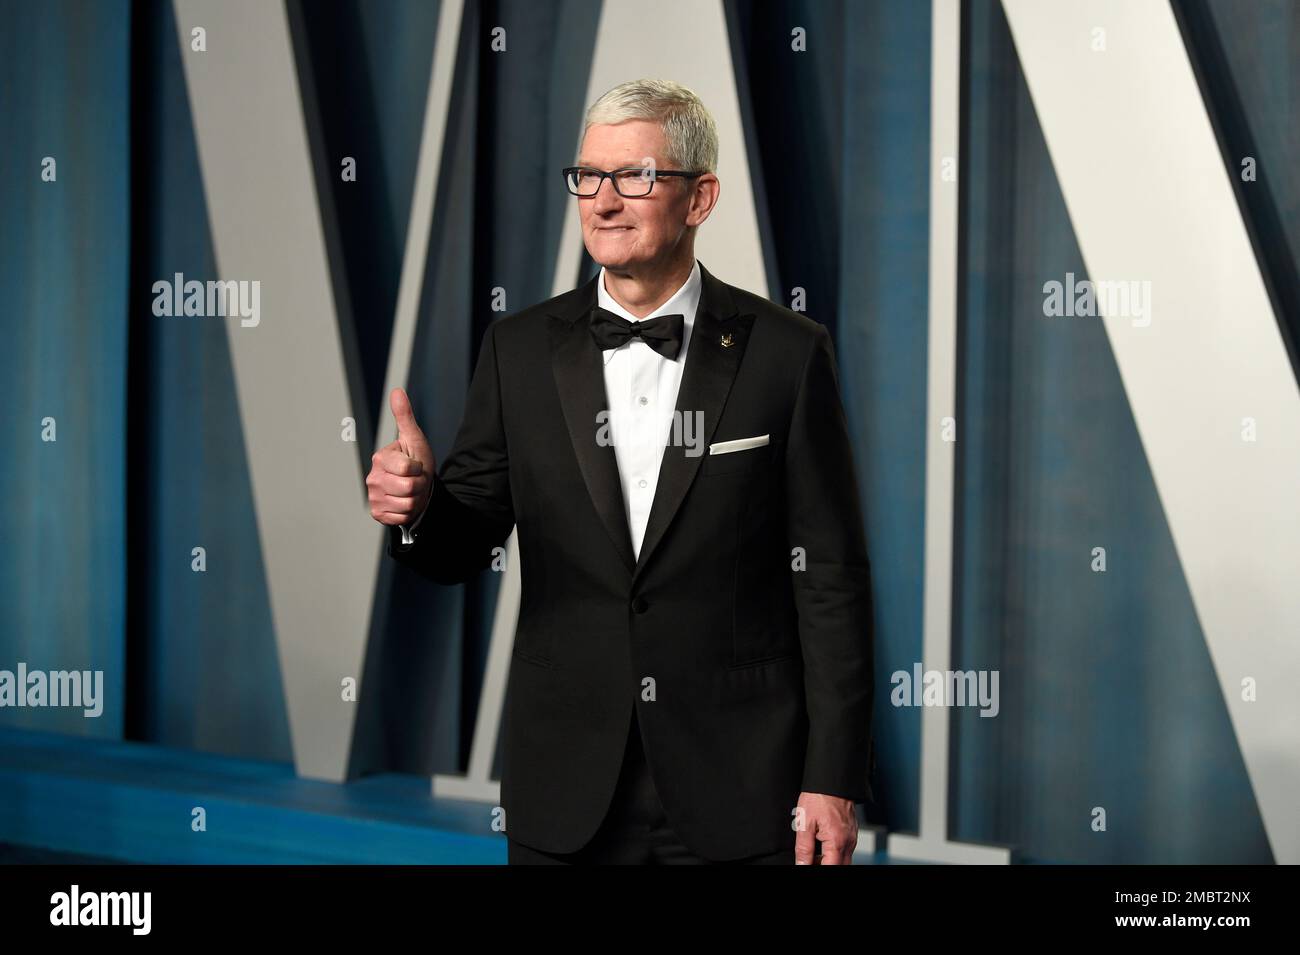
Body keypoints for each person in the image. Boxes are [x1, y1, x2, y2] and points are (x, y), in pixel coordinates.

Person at [366, 78, 874, 864]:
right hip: (565, 786)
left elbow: (831, 578)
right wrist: (420, 508)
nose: (603, 201)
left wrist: (832, 777)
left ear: (700, 197)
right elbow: (459, 547)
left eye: (634, 177)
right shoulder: (518, 349)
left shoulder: (788, 353)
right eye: (587, 177)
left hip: (744, 788)